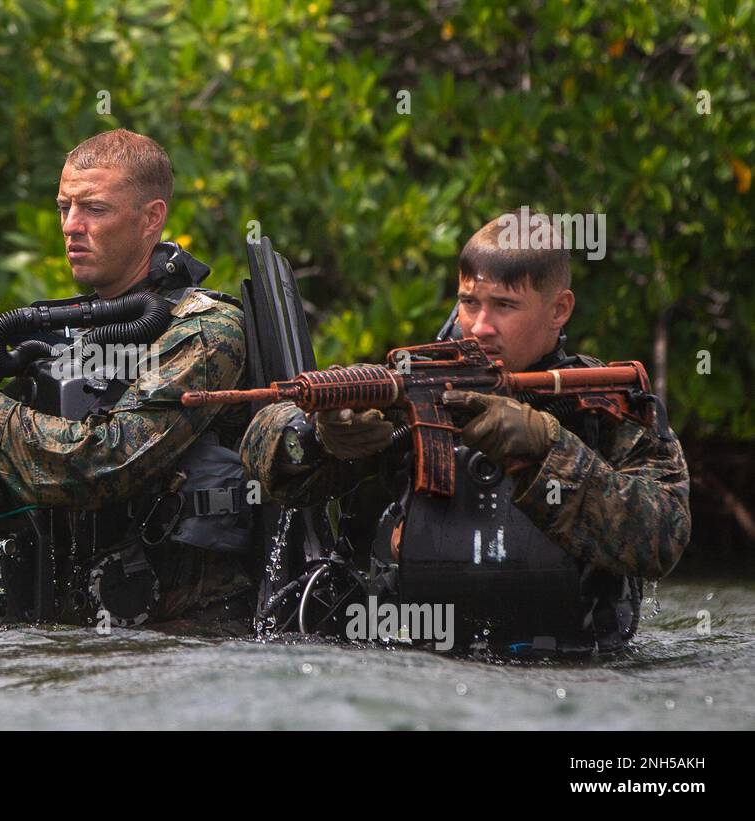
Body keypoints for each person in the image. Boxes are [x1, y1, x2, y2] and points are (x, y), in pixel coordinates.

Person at [239, 211, 692, 652]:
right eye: (469, 302)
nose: (480, 326)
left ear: (559, 310)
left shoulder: (606, 406)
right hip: (415, 661)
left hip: (574, 663)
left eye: (505, 306)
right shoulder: (420, 384)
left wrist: (548, 450)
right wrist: (321, 438)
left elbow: (664, 536)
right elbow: (260, 452)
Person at [0, 129, 256, 626]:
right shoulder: (63, 334)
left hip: (186, 635)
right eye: (64, 208)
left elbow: (109, 462)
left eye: (94, 209)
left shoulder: (206, 330)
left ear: (152, 219)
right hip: (72, 625)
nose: (72, 226)